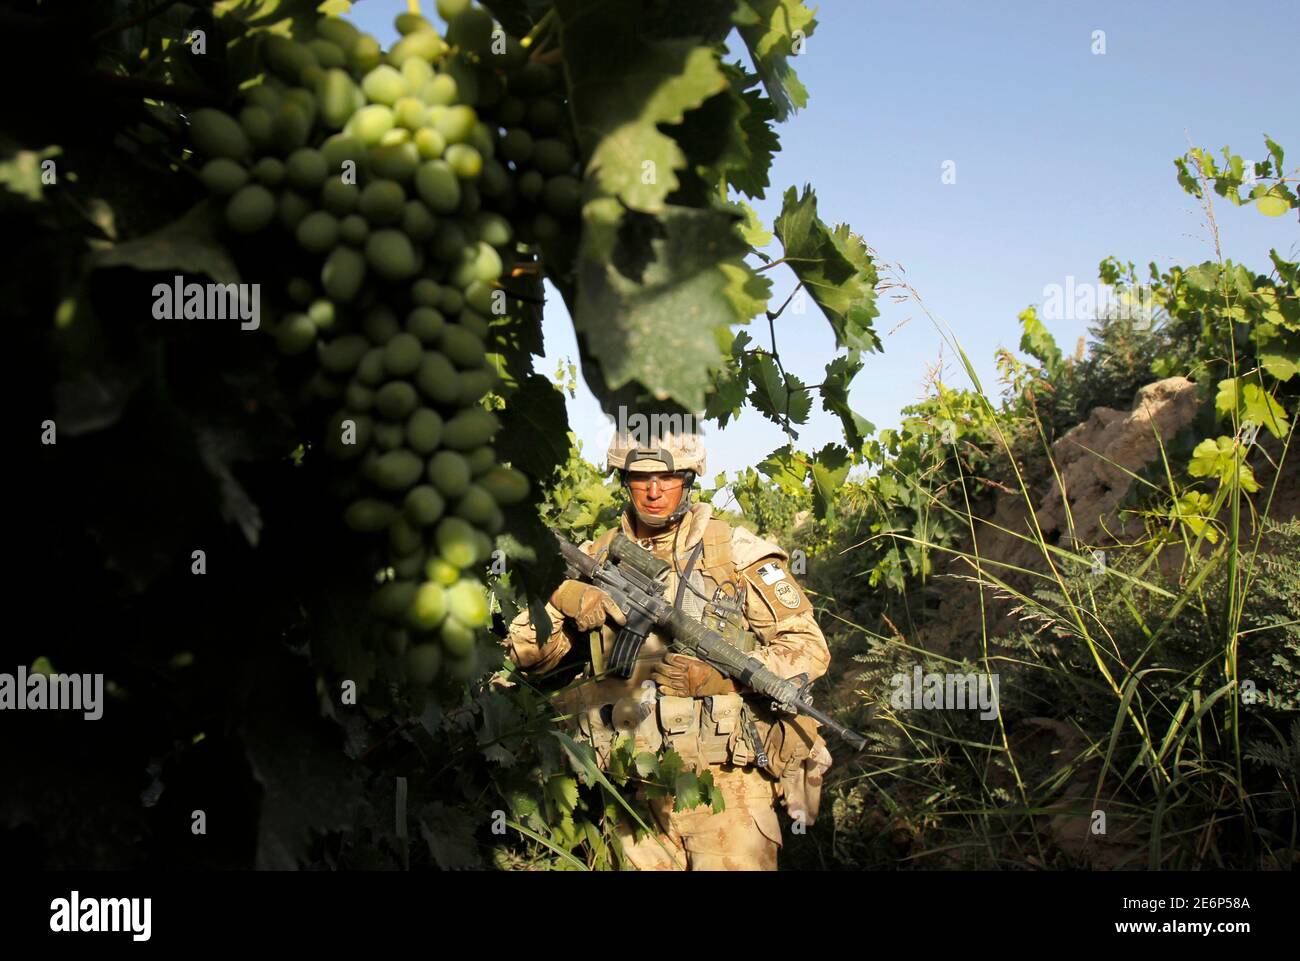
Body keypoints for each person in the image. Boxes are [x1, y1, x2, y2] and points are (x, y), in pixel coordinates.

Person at [501, 425, 834, 870]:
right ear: (624, 480)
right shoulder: (594, 557)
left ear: (690, 479)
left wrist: (724, 679)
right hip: (632, 787)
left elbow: (809, 648)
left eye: (669, 478)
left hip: (726, 788)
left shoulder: (733, 555)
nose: (654, 491)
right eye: (641, 478)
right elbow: (524, 656)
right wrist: (563, 599)